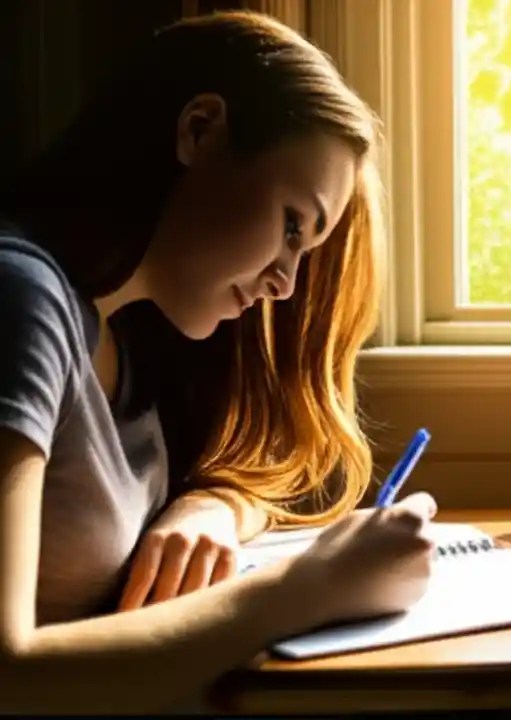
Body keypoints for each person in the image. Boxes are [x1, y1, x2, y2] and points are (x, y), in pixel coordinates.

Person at [0, 11, 437, 712]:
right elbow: (6, 675)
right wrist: (301, 592)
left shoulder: (129, 336)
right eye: (293, 223)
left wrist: (214, 507)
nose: (284, 284)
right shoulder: (23, 299)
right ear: (199, 130)